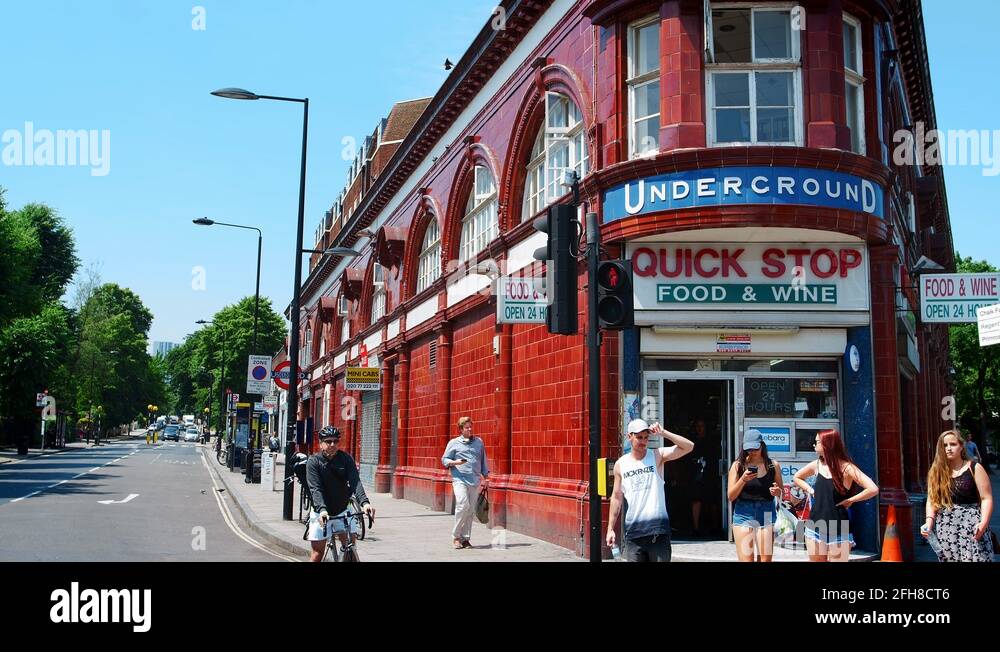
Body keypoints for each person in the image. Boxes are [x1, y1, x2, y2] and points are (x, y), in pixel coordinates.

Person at [606, 419, 694, 562]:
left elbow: (689, 446)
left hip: (658, 532)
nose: (643, 441)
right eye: (639, 437)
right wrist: (610, 528)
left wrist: (664, 433)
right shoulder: (620, 464)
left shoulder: (656, 455)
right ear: (630, 437)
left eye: (646, 437)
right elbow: (616, 497)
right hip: (633, 535)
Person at [794, 429, 878, 562]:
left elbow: (873, 489)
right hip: (815, 526)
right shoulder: (817, 465)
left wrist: (851, 500)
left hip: (839, 528)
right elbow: (797, 477)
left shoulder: (847, 468)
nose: (814, 445)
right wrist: (810, 490)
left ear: (827, 444)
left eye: (817, 442)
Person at [921, 429, 994, 562]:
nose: (948, 448)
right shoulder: (936, 471)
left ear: (961, 446)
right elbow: (932, 499)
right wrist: (929, 521)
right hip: (946, 528)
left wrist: (983, 523)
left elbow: (986, 498)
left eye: (953, 444)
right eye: (945, 445)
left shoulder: (974, 467)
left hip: (972, 525)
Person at [305, 426, 375, 562]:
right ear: (320, 443)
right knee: (317, 553)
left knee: (350, 551)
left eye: (335, 441)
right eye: (328, 441)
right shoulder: (313, 462)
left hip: (343, 511)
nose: (332, 444)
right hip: (321, 513)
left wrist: (365, 503)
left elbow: (355, 482)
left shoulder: (345, 459)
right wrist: (323, 510)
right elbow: (315, 489)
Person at [727, 429, 783, 562]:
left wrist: (777, 492)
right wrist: (743, 480)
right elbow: (730, 496)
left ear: (762, 445)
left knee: (765, 560)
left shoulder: (772, 465)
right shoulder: (738, 466)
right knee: (747, 559)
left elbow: (781, 491)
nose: (751, 451)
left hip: (767, 512)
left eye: (755, 448)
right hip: (743, 513)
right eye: (748, 449)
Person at [441, 416, 490, 549]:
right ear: (461, 429)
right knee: (463, 504)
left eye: (470, 426)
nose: (469, 429)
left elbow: (483, 460)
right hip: (459, 479)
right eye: (467, 427)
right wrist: (455, 462)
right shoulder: (454, 443)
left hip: (474, 480)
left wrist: (486, 477)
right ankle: (456, 536)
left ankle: (465, 539)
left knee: (470, 510)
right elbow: (444, 459)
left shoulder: (479, 442)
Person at [688, 419, 720, 537]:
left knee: (712, 501)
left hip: (710, 474)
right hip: (696, 475)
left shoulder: (711, 442)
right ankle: (696, 528)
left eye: (701, 426)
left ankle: (716, 526)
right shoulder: (692, 442)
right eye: (697, 426)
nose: (699, 428)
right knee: (696, 500)